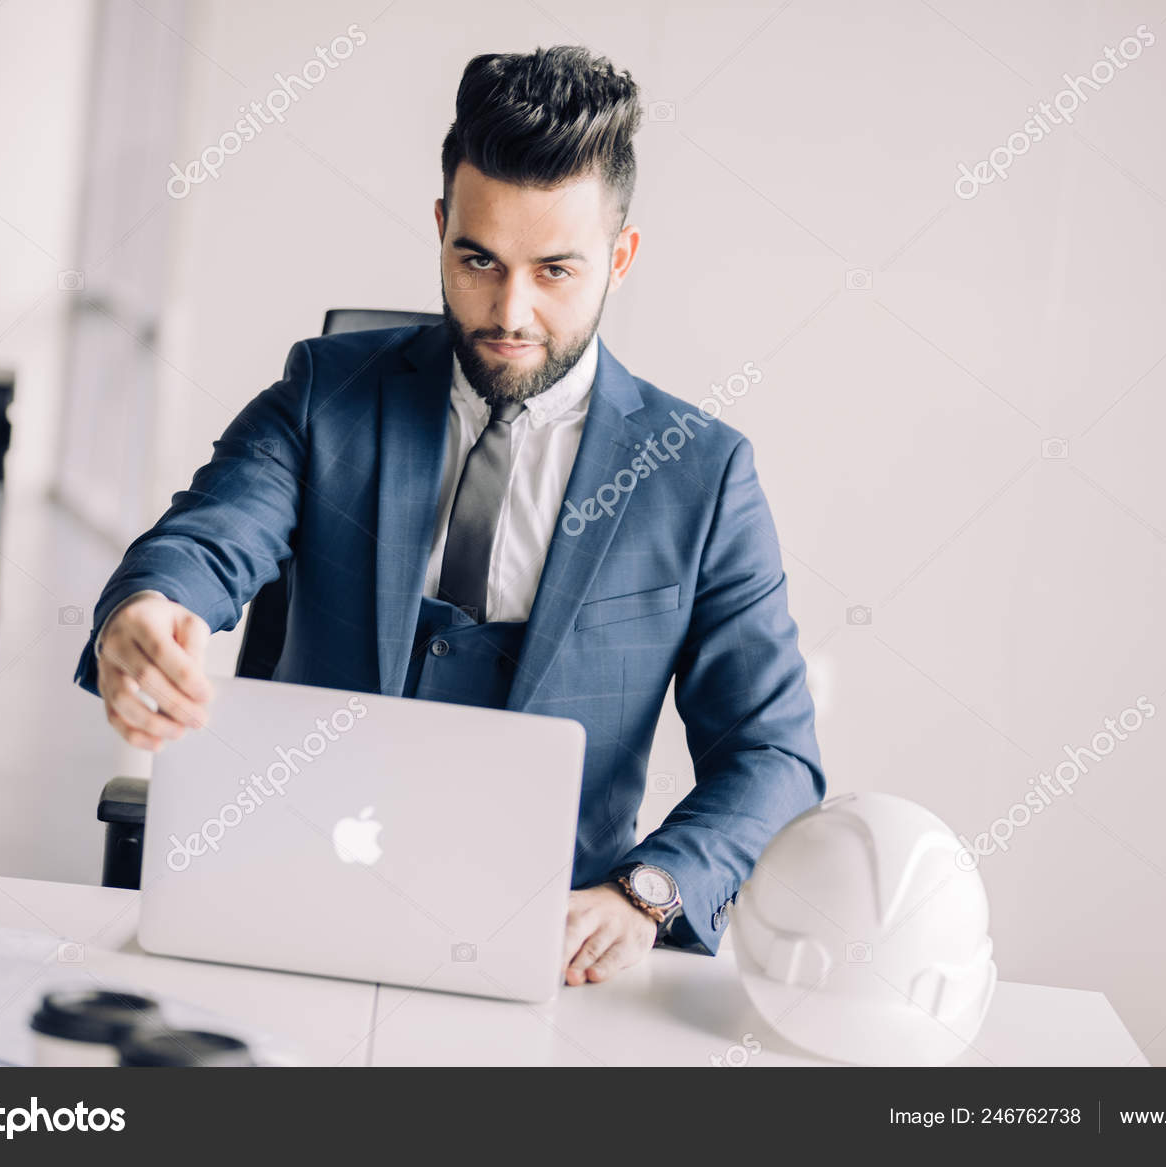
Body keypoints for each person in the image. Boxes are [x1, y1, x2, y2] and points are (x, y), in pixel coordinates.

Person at [74, 45, 824, 987]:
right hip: (289, 905)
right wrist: (146, 609)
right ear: (439, 229)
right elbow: (206, 540)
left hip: (546, 953)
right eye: (479, 260)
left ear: (620, 259)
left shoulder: (704, 477)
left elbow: (773, 752)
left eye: (556, 270)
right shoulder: (326, 391)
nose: (511, 312)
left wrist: (648, 893)